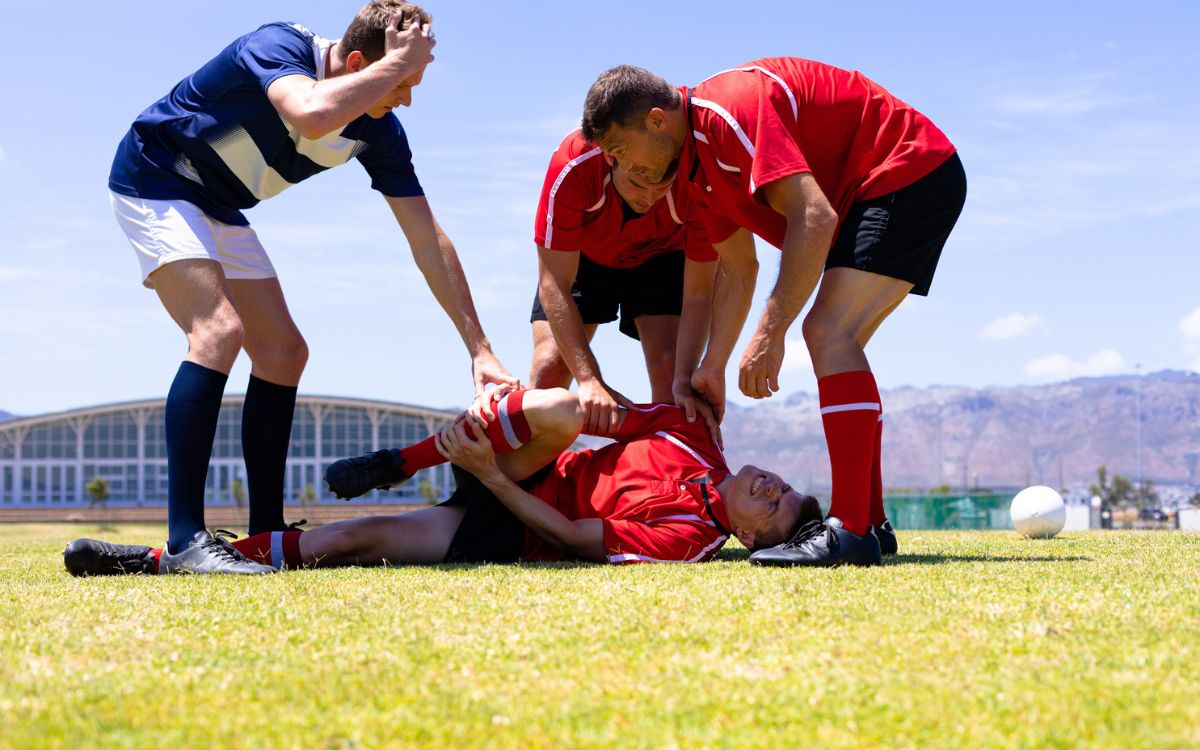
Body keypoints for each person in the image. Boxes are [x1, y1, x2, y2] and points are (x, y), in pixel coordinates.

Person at [106, 2, 517, 574]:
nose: (406, 100)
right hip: (155, 176)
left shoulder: (377, 131)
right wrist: (393, 65)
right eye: (403, 81)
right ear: (359, 63)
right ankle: (184, 542)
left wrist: (480, 348)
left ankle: (266, 533)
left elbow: (428, 240)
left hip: (218, 205)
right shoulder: (278, 46)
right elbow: (312, 113)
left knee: (283, 352)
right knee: (218, 331)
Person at [579, 58, 968, 566]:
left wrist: (769, 333)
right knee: (839, 341)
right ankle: (870, 521)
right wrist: (712, 366)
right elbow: (739, 270)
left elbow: (814, 217)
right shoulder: (695, 168)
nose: (622, 167)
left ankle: (851, 530)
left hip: (905, 168)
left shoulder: (726, 113)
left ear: (656, 121)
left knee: (827, 331)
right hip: (890, 185)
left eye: (620, 150)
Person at [63, 387, 822, 574]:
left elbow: (567, 535)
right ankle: (401, 462)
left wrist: (487, 474)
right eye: (783, 485)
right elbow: (600, 414)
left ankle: (153, 561)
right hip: (526, 465)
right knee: (559, 406)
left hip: (511, 522)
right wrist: (511, 426)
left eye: (776, 507)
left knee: (349, 541)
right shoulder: (695, 434)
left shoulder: (689, 540)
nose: (772, 486)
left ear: (747, 537)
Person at [530, 130, 719, 439]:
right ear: (611, 157)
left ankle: (672, 464)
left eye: (661, 186)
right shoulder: (574, 164)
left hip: (663, 254)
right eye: (638, 184)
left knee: (674, 382)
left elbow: (700, 294)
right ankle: (532, 468)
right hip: (585, 255)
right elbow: (553, 284)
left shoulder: (696, 178)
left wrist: (685, 379)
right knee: (549, 369)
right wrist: (589, 378)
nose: (649, 198)